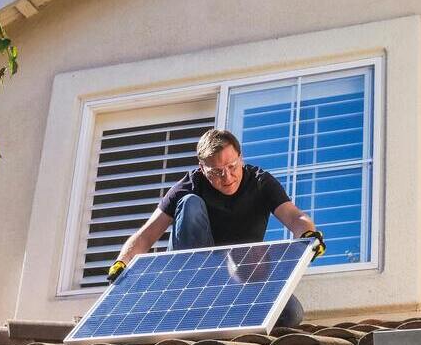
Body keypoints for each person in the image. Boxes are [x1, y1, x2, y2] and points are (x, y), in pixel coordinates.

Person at [105, 128, 325, 327]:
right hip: (195, 276)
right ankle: (190, 294)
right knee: (190, 203)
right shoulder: (188, 186)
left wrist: (308, 235)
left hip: (241, 277)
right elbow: (146, 235)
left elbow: (294, 217)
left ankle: (231, 317)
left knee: (291, 314)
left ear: (241, 158)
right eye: (217, 172)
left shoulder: (260, 183)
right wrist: (122, 263)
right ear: (202, 168)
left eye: (232, 167)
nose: (227, 177)